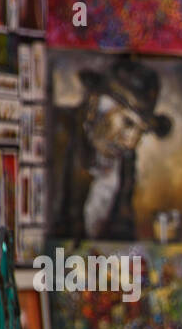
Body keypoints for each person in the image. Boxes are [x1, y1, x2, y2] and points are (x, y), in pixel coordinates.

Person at [49, 59, 173, 240]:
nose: (131, 142)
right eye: (127, 122)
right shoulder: (58, 133)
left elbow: (122, 230)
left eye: (141, 131)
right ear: (94, 105)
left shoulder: (125, 161)